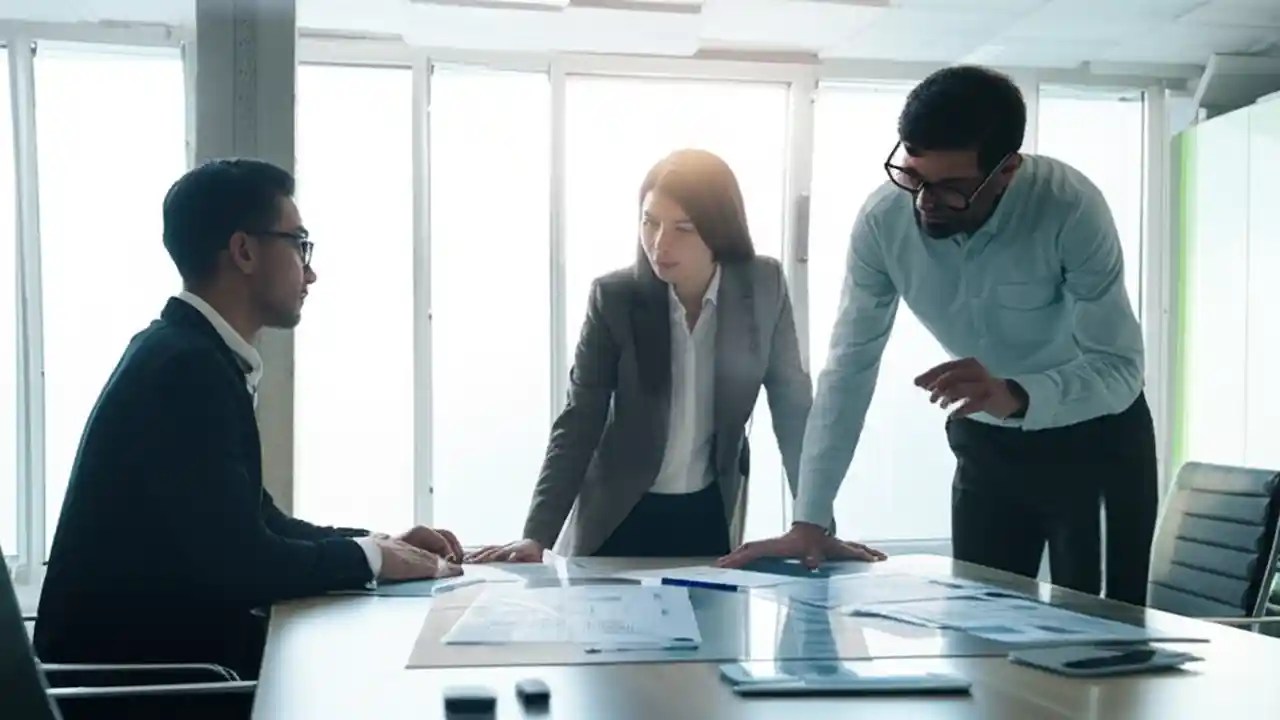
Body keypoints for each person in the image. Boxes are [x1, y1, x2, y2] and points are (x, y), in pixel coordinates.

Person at [719, 66, 1156, 607]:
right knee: (978, 628)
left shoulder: (1069, 207)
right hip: (989, 438)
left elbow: (1120, 368)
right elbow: (848, 369)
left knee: (1102, 635)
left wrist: (1019, 393)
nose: (925, 201)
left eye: (951, 188)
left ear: (1007, 170)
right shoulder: (884, 221)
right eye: (912, 176)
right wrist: (810, 518)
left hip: (1096, 437)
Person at [34, 159, 465, 688]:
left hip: (168, 671)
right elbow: (242, 564)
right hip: (144, 690)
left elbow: (259, 525)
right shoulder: (186, 370)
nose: (311, 272)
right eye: (299, 245)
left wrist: (382, 544)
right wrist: (371, 557)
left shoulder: (184, 352)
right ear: (243, 251)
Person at [470, 149, 882, 562]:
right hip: (617, 516)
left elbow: (793, 411)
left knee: (711, 624)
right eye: (650, 223)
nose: (659, 244)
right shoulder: (615, 298)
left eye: (683, 228)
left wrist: (816, 526)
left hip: (707, 511)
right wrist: (535, 537)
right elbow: (580, 419)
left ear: (719, 230)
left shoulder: (764, 285)